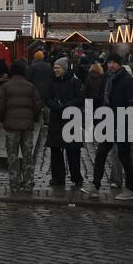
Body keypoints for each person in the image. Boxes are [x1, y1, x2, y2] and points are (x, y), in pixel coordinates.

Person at [92, 54, 133, 200]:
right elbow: (104, 99)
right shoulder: (108, 78)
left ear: (120, 64)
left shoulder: (126, 80)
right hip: (109, 121)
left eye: (114, 63)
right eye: (109, 62)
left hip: (122, 122)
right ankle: (95, 186)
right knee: (101, 154)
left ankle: (129, 188)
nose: (111, 65)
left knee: (124, 156)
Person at [0, 54, 40, 194]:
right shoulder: (30, 87)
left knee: (12, 157)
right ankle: (28, 184)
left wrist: (4, 119)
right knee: (27, 156)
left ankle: (14, 184)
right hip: (27, 127)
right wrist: (32, 118)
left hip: (11, 127)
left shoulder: (5, 87)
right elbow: (37, 105)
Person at [46, 55, 86, 189]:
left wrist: (67, 106)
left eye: (57, 68)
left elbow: (80, 99)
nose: (55, 70)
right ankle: (58, 177)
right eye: (54, 68)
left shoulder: (75, 82)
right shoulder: (52, 81)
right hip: (56, 119)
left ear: (64, 68)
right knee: (56, 150)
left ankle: (76, 177)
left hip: (71, 119)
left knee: (73, 151)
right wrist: (56, 106)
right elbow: (48, 98)